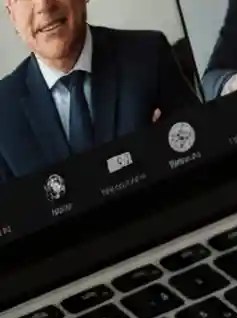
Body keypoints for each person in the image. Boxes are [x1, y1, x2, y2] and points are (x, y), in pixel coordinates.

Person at [0, 0, 200, 183]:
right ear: (11, 13)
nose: (44, 5)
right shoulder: (3, 111)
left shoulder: (149, 56)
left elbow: (201, 151)